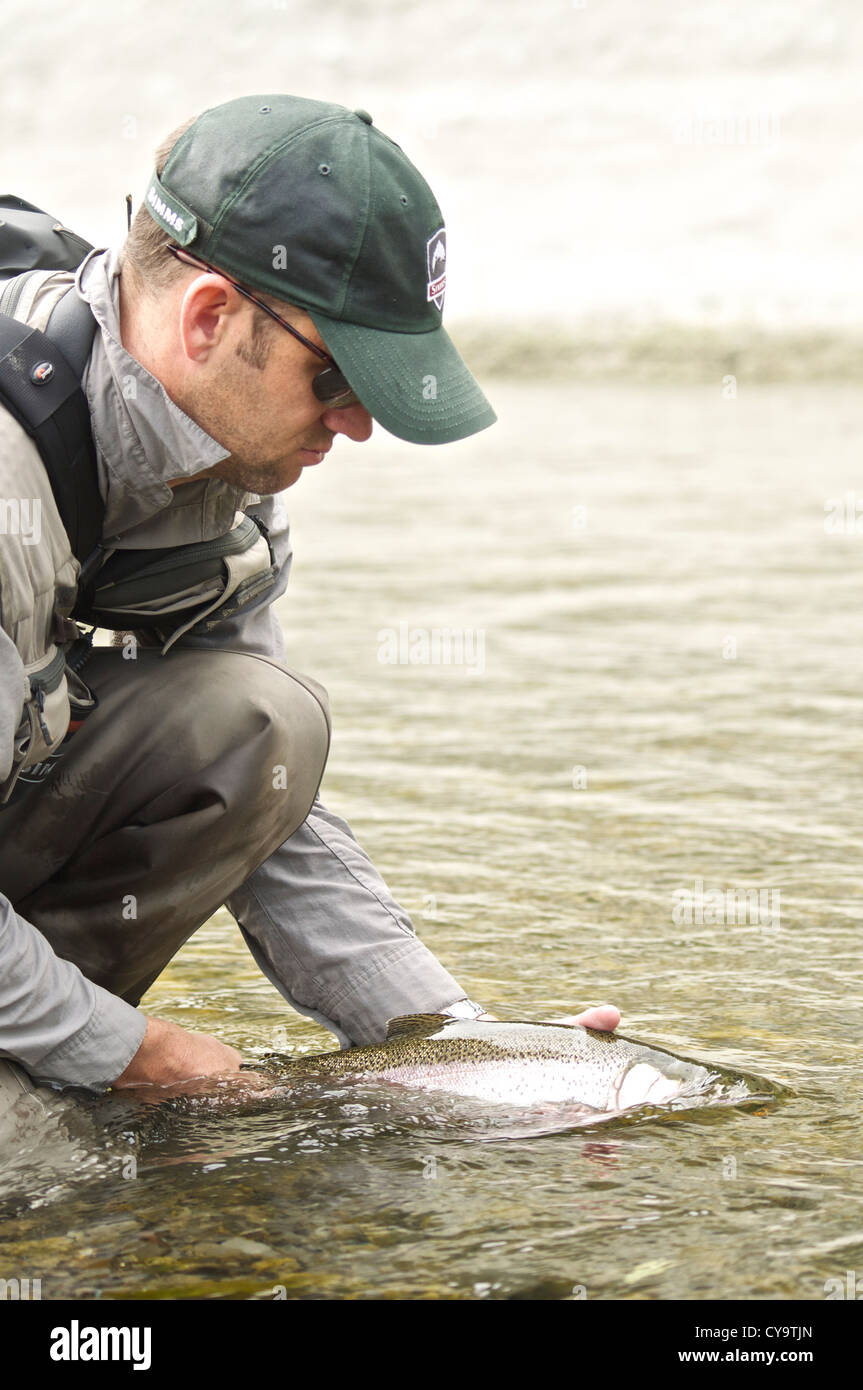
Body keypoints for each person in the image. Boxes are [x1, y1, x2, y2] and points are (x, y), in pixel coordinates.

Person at [0, 94, 619, 1115]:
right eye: (338, 376)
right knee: (40, 1181)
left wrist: (462, 1048)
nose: (362, 423)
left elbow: (268, 798)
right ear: (206, 318)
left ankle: (36, 1068)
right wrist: (134, 1050)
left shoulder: (226, 471)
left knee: (259, 714)